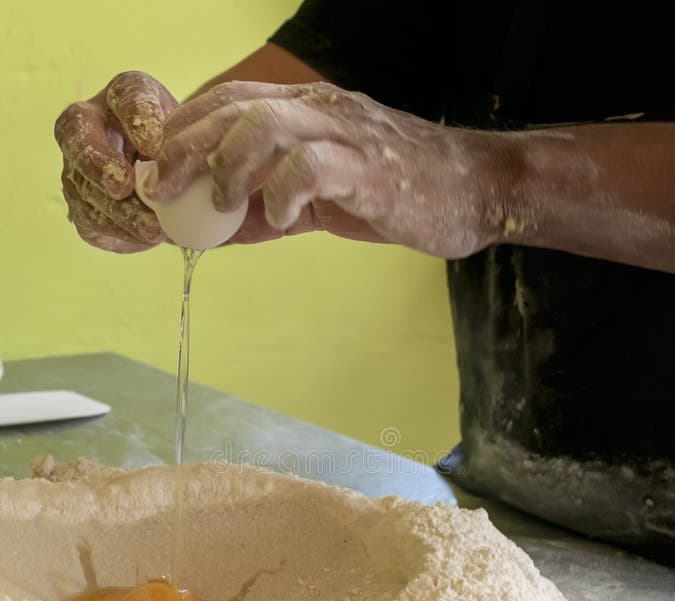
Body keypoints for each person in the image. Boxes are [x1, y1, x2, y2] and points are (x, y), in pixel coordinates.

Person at [54, 1, 675, 564]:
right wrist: (149, 150)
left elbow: (474, 174)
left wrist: (488, 179)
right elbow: (295, 86)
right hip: (513, 499)